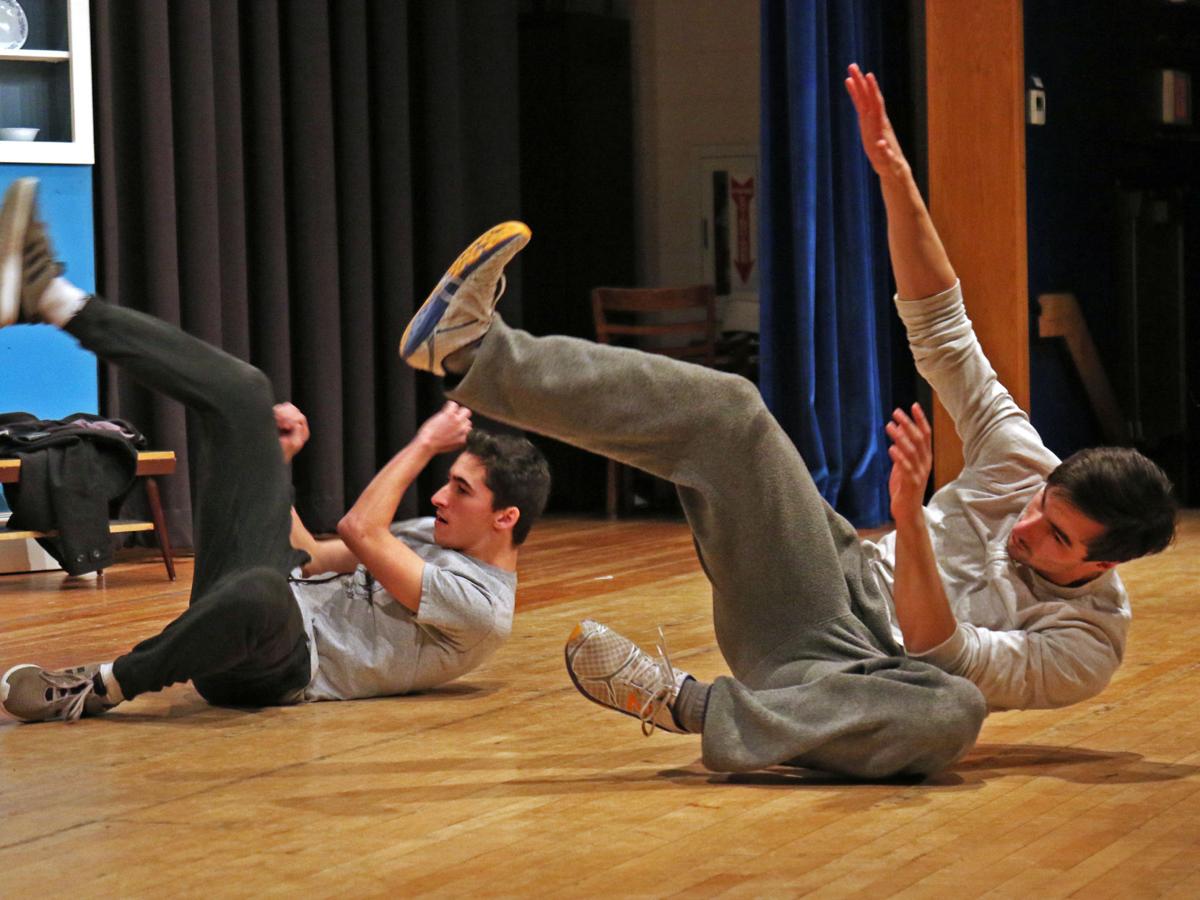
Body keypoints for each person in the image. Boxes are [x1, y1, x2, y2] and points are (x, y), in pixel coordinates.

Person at [395, 64, 1177, 779]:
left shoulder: (1087, 647)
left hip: (858, 673)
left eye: (1058, 538)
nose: (1029, 526)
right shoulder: (1021, 462)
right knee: (732, 411)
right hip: (821, 585)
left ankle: (683, 702)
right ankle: (472, 351)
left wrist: (908, 509)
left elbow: (942, 649)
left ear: (1101, 566)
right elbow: (942, 328)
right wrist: (896, 179)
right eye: (1044, 505)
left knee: (947, 714)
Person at [0, 180, 550, 723]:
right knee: (245, 395)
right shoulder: (434, 537)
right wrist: (273, 466)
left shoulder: (482, 608)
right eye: (447, 478)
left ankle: (99, 686)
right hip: (254, 606)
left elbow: (360, 530)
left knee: (261, 593)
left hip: (276, 667)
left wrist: (424, 443)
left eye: (460, 488)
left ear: (506, 517)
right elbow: (309, 554)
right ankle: (52, 297)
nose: (438, 496)